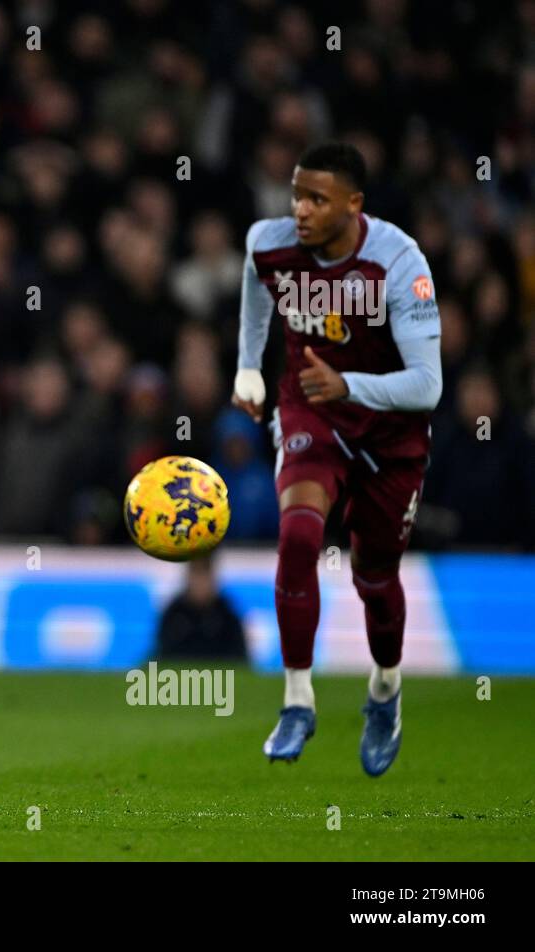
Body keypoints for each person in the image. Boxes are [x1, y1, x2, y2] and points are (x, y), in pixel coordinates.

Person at [232, 142, 442, 776]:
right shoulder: (270, 244)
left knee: (375, 580)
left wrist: (351, 385)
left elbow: (427, 385)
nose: (300, 209)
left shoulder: (398, 264)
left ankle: (384, 690)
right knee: (298, 536)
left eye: (317, 199)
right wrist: (248, 364)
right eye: (297, 194)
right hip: (311, 414)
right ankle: (298, 700)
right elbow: (254, 281)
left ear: (354, 205)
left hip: (390, 435)